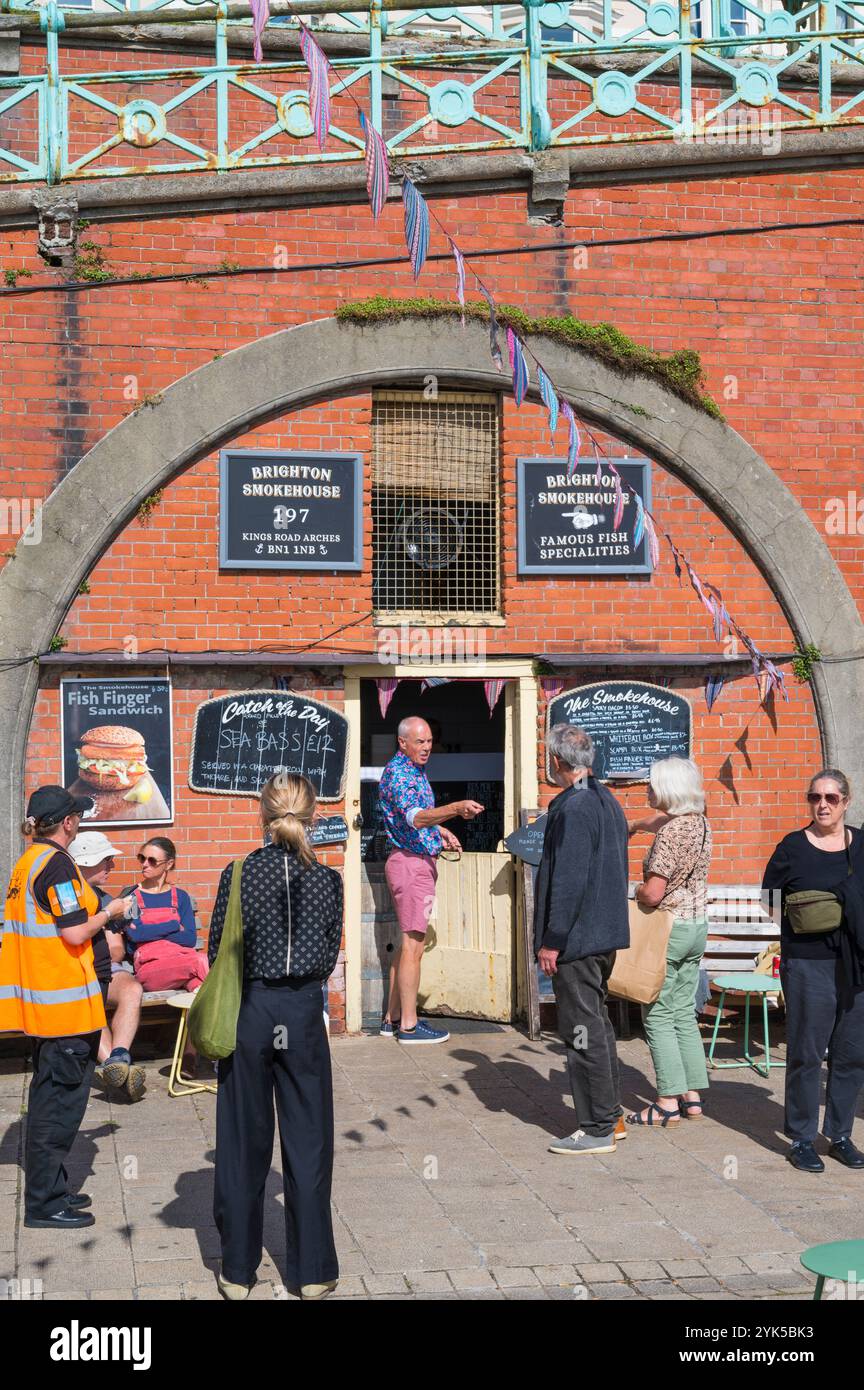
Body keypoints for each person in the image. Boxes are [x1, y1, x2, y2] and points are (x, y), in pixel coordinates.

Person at [209, 773, 344, 1302]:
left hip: (253, 1008)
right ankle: (312, 1271)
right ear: (312, 814)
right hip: (304, 1010)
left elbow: (220, 944)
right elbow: (331, 949)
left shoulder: (239, 872)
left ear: (262, 814)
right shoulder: (328, 880)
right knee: (309, 1142)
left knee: (243, 1141)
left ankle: (238, 1271)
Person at [0, 786, 133, 1229]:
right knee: (56, 1110)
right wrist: (111, 909)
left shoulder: (29, 861)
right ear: (70, 823)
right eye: (79, 819)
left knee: (49, 1102)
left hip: (46, 1005)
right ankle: (44, 1205)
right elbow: (75, 934)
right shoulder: (56, 864)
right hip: (64, 1010)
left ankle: (54, 1191)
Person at [533, 725, 630, 1156]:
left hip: (579, 937)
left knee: (581, 1030)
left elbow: (569, 881)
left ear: (557, 762)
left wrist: (552, 940)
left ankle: (596, 1128)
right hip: (603, 934)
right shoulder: (607, 799)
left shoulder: (575, 808)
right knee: (598, 1025)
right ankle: (612, 1116)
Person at [763, 768, 864, 1172]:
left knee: (851, 1053)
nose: (822, 805)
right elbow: (768, 896)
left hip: (856, 963)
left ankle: (839, 1135)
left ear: (846, 802)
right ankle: (802, 1138)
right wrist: (797, 929)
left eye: (830, 798)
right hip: (808, 964)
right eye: (814, 798)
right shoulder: (792, 847)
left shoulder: (861, 845)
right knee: (806, 1052)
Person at [378, 716, 484, 1044]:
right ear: (403, 743)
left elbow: (414, 819)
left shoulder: (413, 771)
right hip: (411, 866)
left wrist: (440, 832)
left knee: (407, 943)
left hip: (416, 861)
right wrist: (453, 808)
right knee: (414, 945)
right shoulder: (399, 773)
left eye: (428, 742)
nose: (426, 748)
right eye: (419, 742)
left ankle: (391, 1019)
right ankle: (409, 1026)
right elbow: (415, 817)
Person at [625, 757, 713, 1128]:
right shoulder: (700, 823)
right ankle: (691, 1095)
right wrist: (638, 826)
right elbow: (665, 828)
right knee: (682, 1012)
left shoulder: (671, 833)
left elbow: (653, 893)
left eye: (652, 783)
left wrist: (634, 890)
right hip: (696, 926)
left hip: (669, 929)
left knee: (657, 1013)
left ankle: (665, 1102)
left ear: (668, 789)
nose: (647, 788)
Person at [69, 831, 147, 1103]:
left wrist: (116, 919)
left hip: (103, 969)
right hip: (73, 974)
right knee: (90, 996)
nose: (112, 867)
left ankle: (118, 1058)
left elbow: (115, 948)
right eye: (106, 861)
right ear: (86, 862)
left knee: (131, 988)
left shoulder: (105, 899)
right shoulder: (68, 895)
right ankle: (120, 1074)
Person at [120, 837, 208, 994]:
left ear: (169, 864)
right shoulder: (130, 896)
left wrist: (150, 932)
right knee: (201, 960)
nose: (144, 864)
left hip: (181, 963)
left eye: (152, 860)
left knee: (197, 984)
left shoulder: (180, 897)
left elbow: (189, 939)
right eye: (142, 858)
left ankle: (196, 991)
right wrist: (173, 925)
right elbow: (136, 935)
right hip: (150, 968)